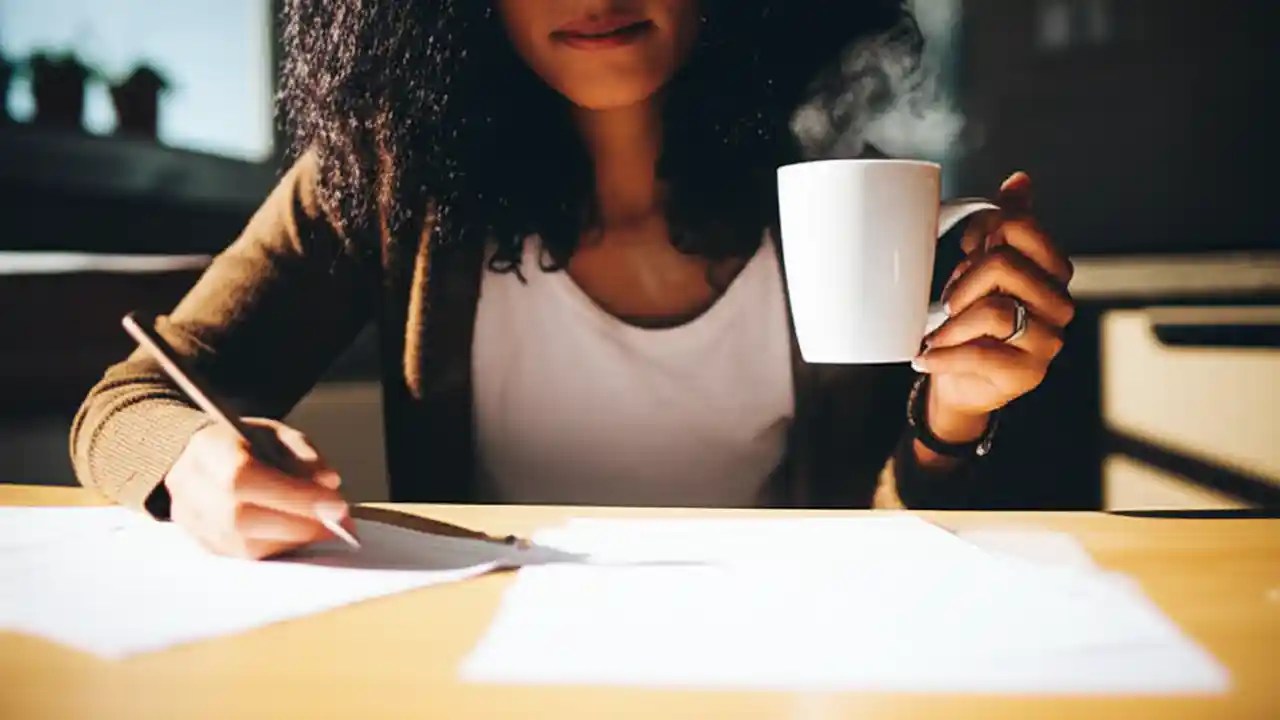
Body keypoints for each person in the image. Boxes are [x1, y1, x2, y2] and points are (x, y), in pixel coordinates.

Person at [71, 0, 1074, 559]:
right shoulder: (387, 175)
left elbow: (890, 546)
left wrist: (952, 420)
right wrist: (192, 461)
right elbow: (128, 402)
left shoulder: (836, 192)